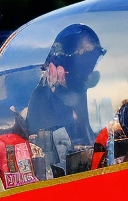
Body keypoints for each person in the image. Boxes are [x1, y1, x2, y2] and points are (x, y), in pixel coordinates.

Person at [24, 24, 100, 173]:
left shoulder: (79, 90)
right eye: (85, 60)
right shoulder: (41, 97)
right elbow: (51, 155)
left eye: (92, 61)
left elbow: (88, 136)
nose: (89, 70)